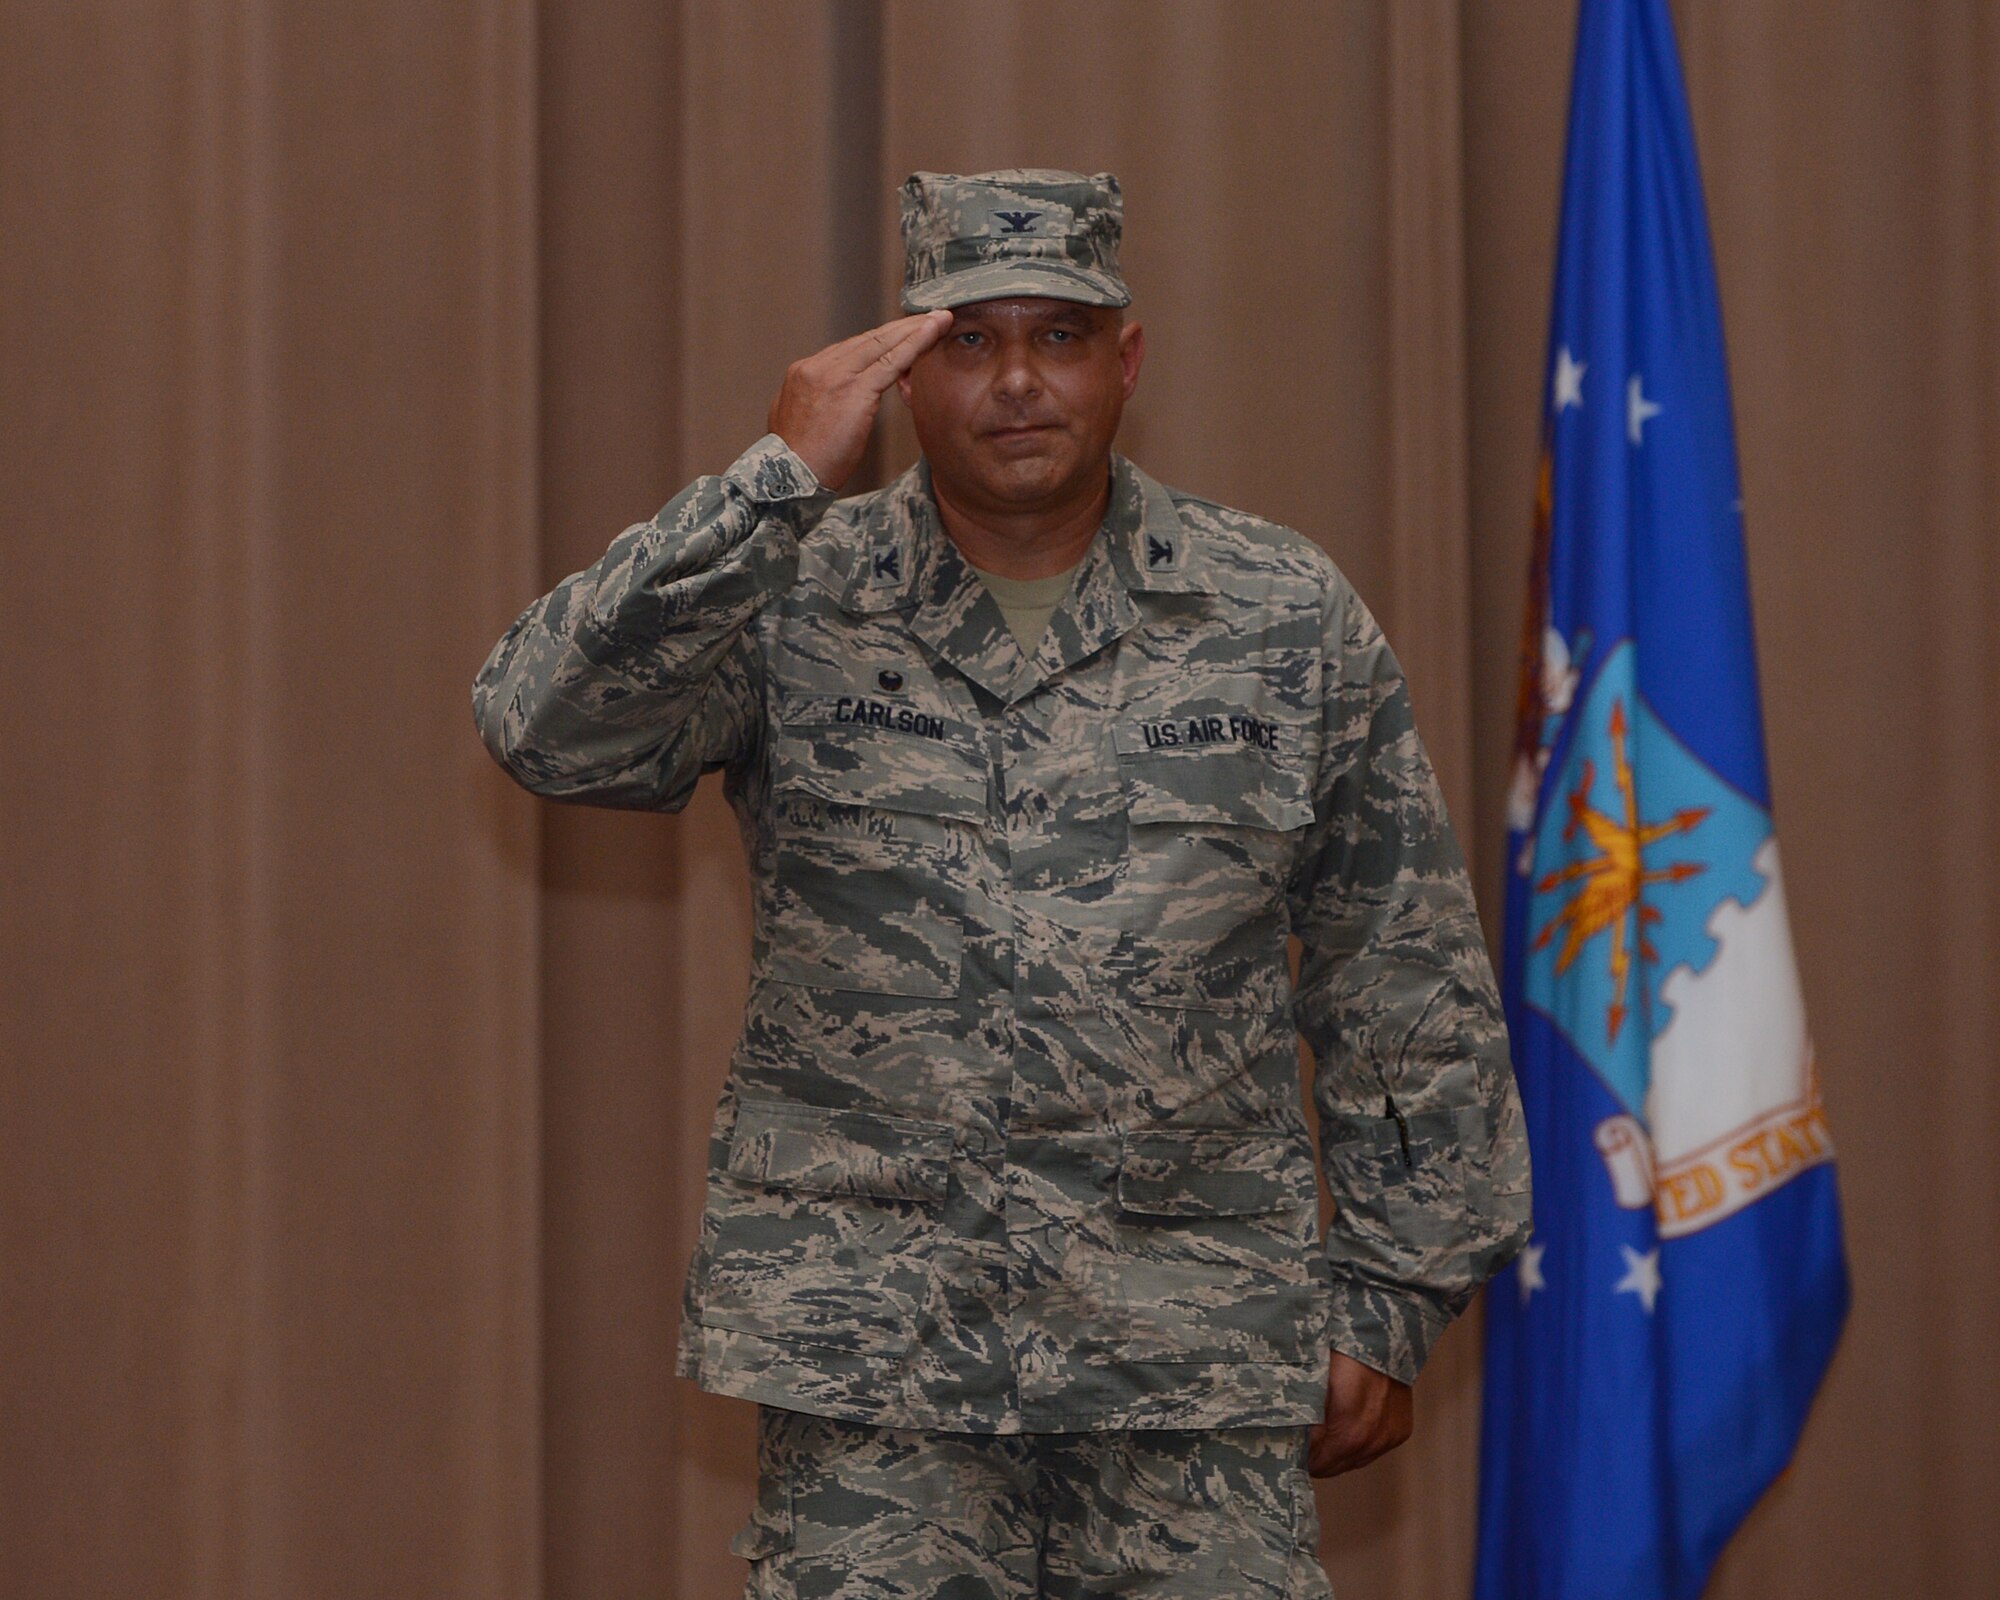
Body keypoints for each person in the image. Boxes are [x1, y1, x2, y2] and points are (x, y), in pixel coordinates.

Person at [473, 168, 1530, 1599]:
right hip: (878, 1380)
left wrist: (1394, 1295)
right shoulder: (792, 592)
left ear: (1127, 359)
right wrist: (766, 485)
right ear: (906, 369)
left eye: (1062, 336)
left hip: (1189, 1368)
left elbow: (1400, 968)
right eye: (969, 340)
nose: (1018, 382)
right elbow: (545, 727)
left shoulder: (1278, 613)